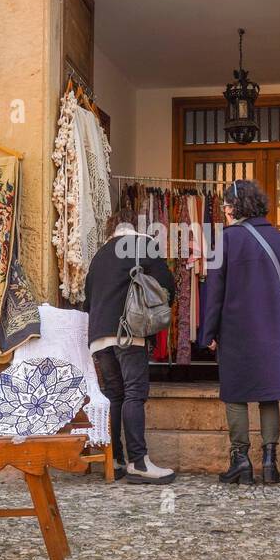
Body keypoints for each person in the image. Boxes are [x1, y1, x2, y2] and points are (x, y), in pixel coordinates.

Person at [198, 179, 280, 485]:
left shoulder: (224, 241)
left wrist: (208, 333)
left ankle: (240, 460)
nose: (224, 211)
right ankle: (270, 461)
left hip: (237, 326)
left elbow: (214, 291)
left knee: (236, 393)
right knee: (270, 393)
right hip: (275, 326)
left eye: (226, 205)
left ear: (235, 207)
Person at [81, 205, 177, 485]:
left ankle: (116, 458)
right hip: (129, 332)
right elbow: (166, 284)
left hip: (98, 337)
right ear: (137, 225)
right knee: (135, 393)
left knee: (114, 394)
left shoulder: (98, 256)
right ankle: (139, 461)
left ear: (112, 227)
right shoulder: (143, 245)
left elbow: (88, 299)